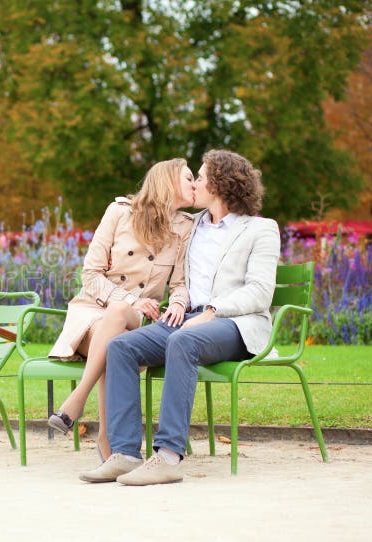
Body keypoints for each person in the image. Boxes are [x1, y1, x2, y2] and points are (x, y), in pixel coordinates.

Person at [79, 149, 280, 485]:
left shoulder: (260, 230)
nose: (195, 184)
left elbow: (260, 292)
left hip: (235, 324)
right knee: (121, 348)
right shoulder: (192, 225)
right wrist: (177, 303)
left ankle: (169, 456)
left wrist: (213, 312)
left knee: (184, 341)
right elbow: (177, 278)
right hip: (188, 319)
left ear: (218, 185)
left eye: (200, 178)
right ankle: (126, 453)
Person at [47, 158, 195, 460]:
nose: (195, 185)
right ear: (167, 181)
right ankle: (107, 441)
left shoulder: (185, 228)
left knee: (118, 323)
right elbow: (90, 274)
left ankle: (77, 399)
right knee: (113, 335)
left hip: (137, 319)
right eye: (189, 178)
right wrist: (128, 299)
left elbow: (180, 283)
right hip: (92, 312)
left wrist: (179, 301)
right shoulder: (119, 212)